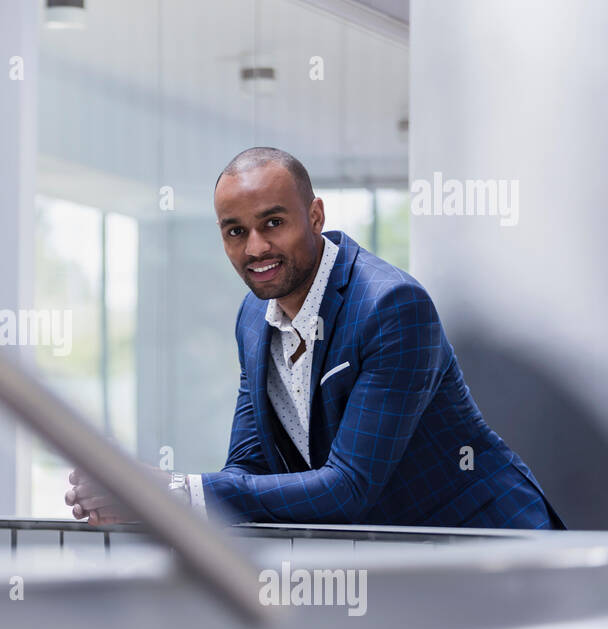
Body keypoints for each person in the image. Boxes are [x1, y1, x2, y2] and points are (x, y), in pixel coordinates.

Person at [66, 147, 564, 529]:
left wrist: (168, 492)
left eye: (273, 223)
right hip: (404, 569)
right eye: (235, 232)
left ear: (316, 217)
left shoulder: (391, 306)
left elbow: (348, 487)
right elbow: (251, 465)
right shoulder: (252, 317)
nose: (255, 247)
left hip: (495, 546)